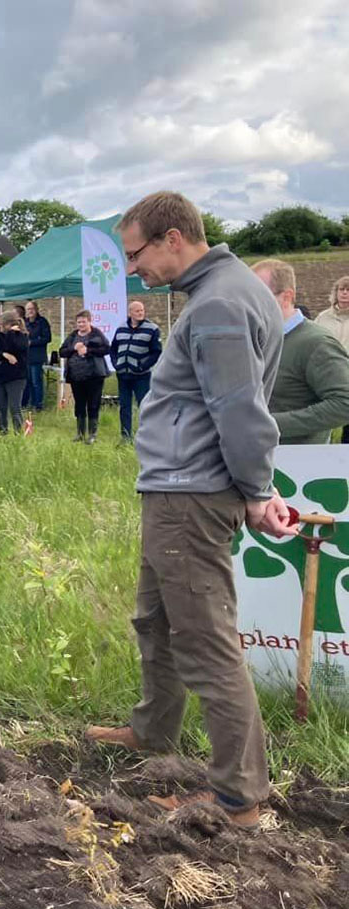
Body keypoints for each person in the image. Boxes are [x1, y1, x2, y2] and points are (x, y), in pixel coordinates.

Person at [86, 190, 298, 829]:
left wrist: (257, 490)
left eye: (136, 253)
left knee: (204, 639)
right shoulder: (231, 290)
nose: (131, 269)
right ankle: (154, 730)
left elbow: (239, 408)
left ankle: (238, 796)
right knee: (156, 618)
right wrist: (256, 486)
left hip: (190, 493)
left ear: (174, 237)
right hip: (179, 488)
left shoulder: (220, 304)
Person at [252, 259, 349, 444]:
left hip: (297, 465)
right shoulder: (257, 340)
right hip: (255, 460)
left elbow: (345, 403)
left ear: (287, 297)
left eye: (258, 296)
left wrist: (270, 424)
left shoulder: (316, 343)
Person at [110, 300, 163, 441]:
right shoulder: (121, 328)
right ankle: (125, 436)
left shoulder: (152, 329)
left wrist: (142, 365)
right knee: (124, 407)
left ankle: (148, 436)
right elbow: (113, 348)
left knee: (144, 406)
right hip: (123, 374)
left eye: (142, 310)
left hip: (141, 375)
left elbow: (156, 352)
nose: (140, 313)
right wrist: (117, 364)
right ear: (130, 313)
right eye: (137, 311)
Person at [59, 310, 110, 444]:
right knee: (80, 405)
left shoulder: (96, 334)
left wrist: (88, 351)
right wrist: (74, 349)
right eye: (79, 322)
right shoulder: (73, 336)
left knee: (93, 404)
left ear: (89, 321)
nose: (81, 324)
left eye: (83, 322)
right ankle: (80, 433)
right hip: (76, 377)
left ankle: (92, 434)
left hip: (94, 376)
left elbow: (106, 349)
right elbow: (62, 352)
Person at [315, 275, 349, 444]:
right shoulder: (323, 317)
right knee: (324, 415)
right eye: (341, 289)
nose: (344, 293)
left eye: (348, 290)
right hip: (327, 373)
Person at [0, 312, 28, 435]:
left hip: (16, 377)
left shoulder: (21, 336)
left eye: (1, 325)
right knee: (1, 408)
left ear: (8, 324)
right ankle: (2, 432)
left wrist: (11, 333)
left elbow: (14, 347)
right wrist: (3, 355)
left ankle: (18, 432)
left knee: (14, 407)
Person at [21, 300, 52, 410]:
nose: (30, 311)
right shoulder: (24, 322)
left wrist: (32, 342)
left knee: (36, 382)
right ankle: (25, 404)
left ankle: (38, 405)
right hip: (26, 357)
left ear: (36, 309)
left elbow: (48, 338)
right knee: (26, 382)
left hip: (37, 357)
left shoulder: (42, 322)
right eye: (28, 309)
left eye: (31, 309)